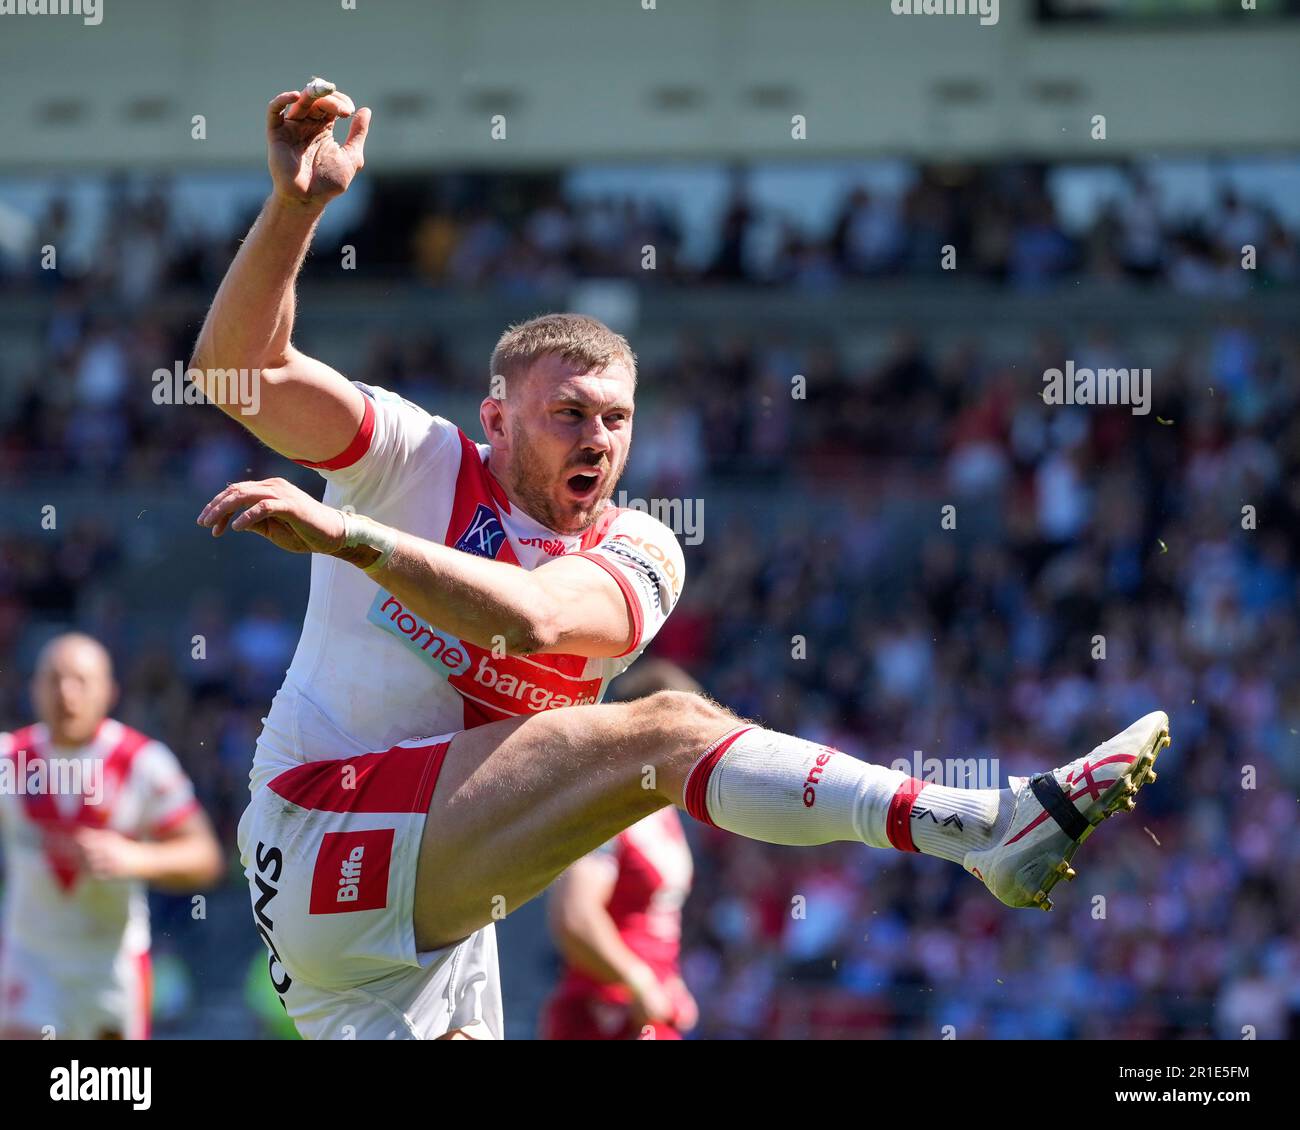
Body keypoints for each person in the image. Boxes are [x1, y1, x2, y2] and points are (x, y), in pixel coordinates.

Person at [192, 79, 1170, 1041]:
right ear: (495, 418)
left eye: (615, 418)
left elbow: (529, 617)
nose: (596, 439)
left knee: (661, 730)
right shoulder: (413, 455)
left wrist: (354, 539)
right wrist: (294, 207)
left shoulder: (640, 544)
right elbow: (237, 373)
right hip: (321, 831)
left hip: (441, 918)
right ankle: (981, 825)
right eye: (566, 414)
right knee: (663, 728)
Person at [0, 633, 223, 1040]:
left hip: (111, 967)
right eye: (53, 679)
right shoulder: (8, 760)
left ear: (109, 691)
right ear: (33, 688)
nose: (66, 693)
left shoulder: (142, 761)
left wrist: (137, 858)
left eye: (81, 680)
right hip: (30, 963)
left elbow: (206, 857)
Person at [541, 661, 701, 1041]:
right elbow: (574, 917)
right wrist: (639, 980)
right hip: (602, 1016)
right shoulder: (609, 812)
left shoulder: (663, 810)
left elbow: (653, 921)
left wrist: (669, 983)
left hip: (645, 1014)